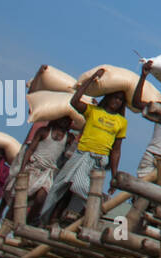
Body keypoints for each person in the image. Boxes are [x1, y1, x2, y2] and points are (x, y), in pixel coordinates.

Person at [41, 72, 128, 225]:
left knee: (79, 185)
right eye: (115, 97)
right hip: (80, 153)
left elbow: (116, 150)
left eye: (120, 99)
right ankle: (44, 219)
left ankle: (98, 201)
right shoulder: (93, 111)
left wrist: (114, 175)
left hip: (98, 159)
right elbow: (74, 101)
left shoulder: (121, 122)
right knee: (57, 187)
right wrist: (91, 79)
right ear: (107, 97)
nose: (117, 101)